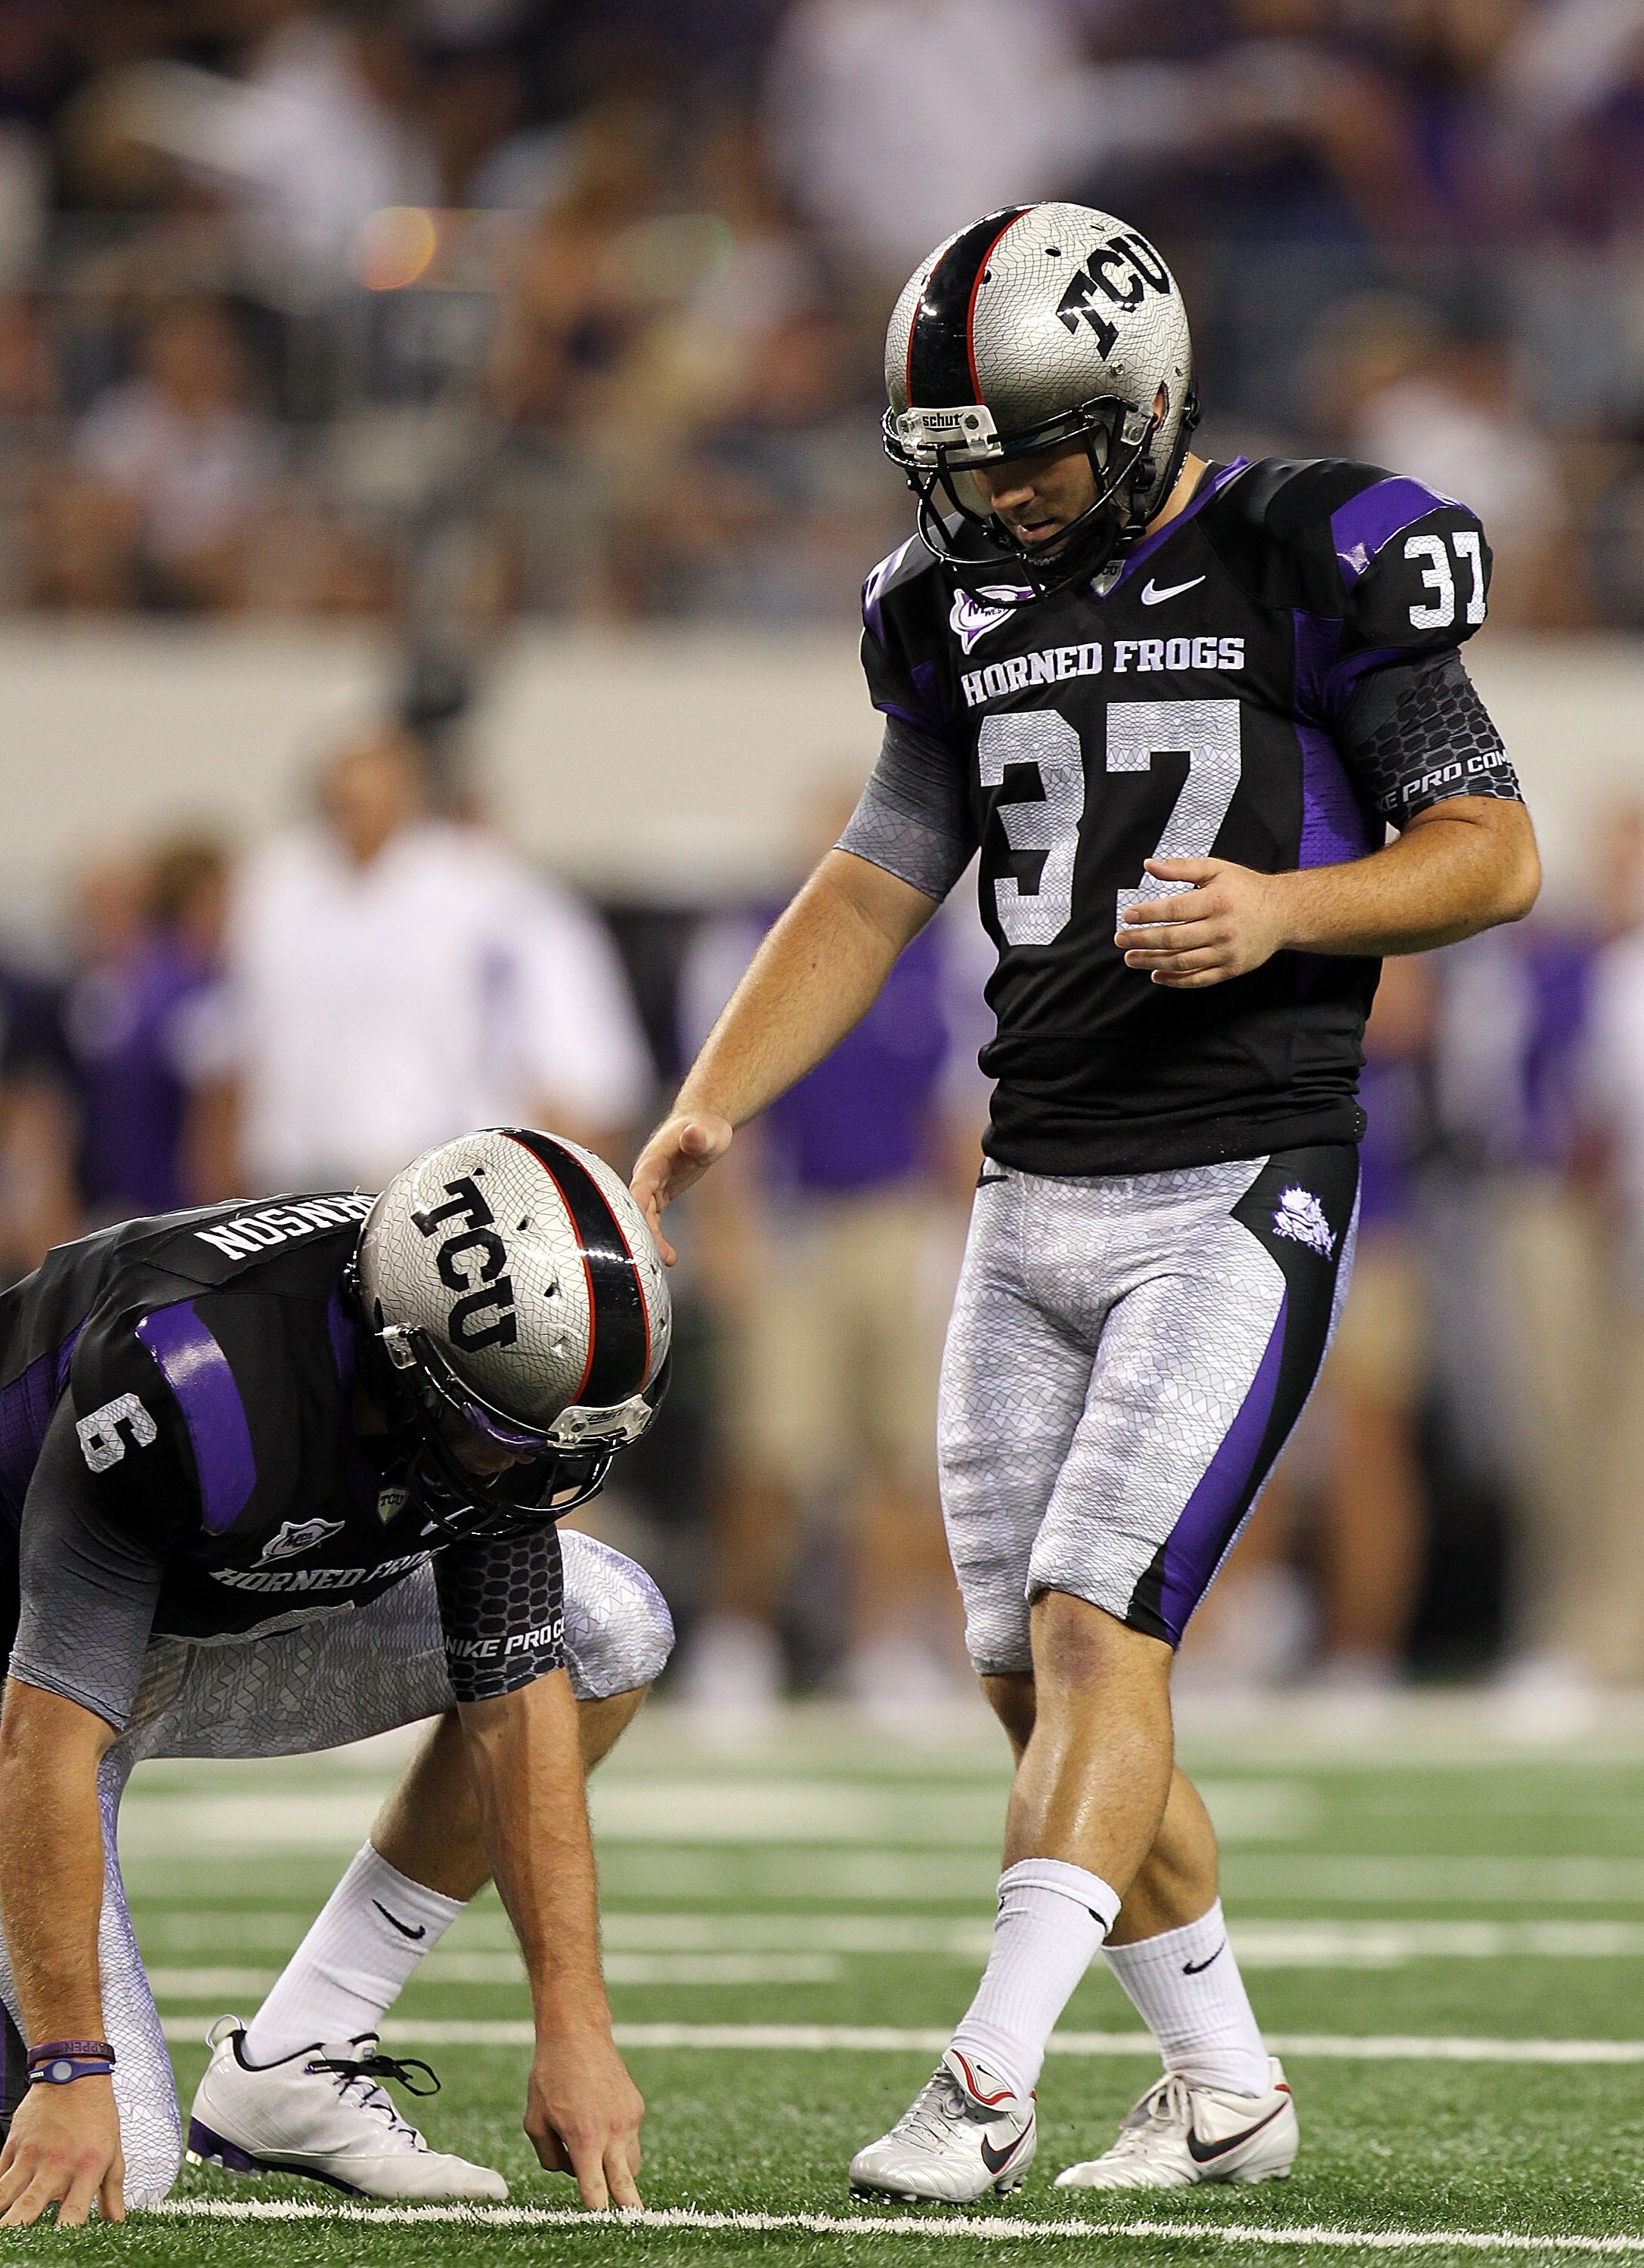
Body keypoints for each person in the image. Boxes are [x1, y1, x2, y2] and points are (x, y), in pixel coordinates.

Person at [633, 200, 1538, 2201]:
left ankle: (982, 2073)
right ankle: (1220, 2081)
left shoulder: (1307, 552)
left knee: (1093, 1621)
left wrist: (1288, 905)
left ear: (1135, 410)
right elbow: (876, 876)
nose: (993, 491)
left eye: (1024, 451)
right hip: (1026, 1181)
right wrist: (711, 1101)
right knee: (1019, 1666)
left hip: (1237, 1167)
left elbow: (1488, 851)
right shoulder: (944, 607)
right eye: (954, 458)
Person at [0, 1124, 674, 2225]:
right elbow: (43, 1738)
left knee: (606, 1626)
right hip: (28, 1673)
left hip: (203, 1613)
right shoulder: (189, 1383)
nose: (543, 1468)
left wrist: (574, 2025)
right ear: (401, 1363)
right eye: (508, 1434)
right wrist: (70, 2066)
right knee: (108, 2158)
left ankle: (296, 2060)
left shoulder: (477, 1361)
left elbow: (516, 1702)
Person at [192, 723, 651, 1198]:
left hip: (438, 1198)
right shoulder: (274, 885)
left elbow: (587, 1080)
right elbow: (227, 1061)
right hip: (287, 1192)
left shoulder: (488, 891)